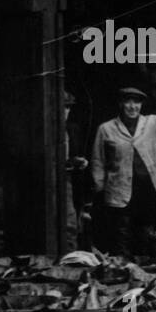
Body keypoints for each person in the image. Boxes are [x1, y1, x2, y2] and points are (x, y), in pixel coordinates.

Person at [90, 83, 156, 258]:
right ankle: (123, 272)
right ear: (120, 104)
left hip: (148, 190)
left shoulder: (153, 123)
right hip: (119, 191)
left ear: (142, 105)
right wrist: (99, 188)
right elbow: (98, 161)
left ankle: (143, 272)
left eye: (136, 103)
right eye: (127, 102)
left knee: (146, 234)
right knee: (121, 236)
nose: (132, 107)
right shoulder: (106, 129)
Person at [63, 90, 89, 251]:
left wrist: (77, 161)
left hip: (68, 180)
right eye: (63, 107)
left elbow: (73, 154)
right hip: (47, 180)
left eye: (68, 107)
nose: (65, 111)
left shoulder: (72, 129)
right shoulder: (41, 130)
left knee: (71, 224)